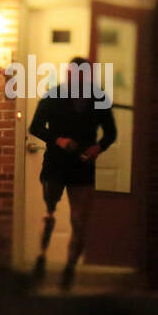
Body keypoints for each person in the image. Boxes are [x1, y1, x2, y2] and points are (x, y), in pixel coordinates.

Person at [28, 57, 117, 291]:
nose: (71, 78)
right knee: (49, 212)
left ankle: (69, 268)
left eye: (77, 74)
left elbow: (111, 133)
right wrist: (57, 139)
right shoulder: (53, 96)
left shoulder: (98, 98)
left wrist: (98, 148)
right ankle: (41, 256)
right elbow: (35, 126)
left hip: (82, 164)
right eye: (69, 73)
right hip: (56, 163)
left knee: (79, 220)